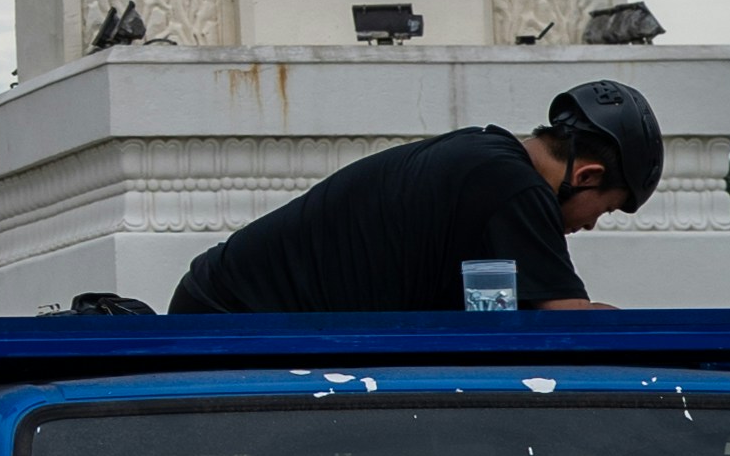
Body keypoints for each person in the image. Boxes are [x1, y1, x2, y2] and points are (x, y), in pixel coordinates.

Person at [171, 77, 662, 320]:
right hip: (235, 321)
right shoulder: (512, 185)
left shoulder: (484, 153)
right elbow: (567, 325)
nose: (591, 224)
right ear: (588, 173)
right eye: (608, 207)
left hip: (222, 306)